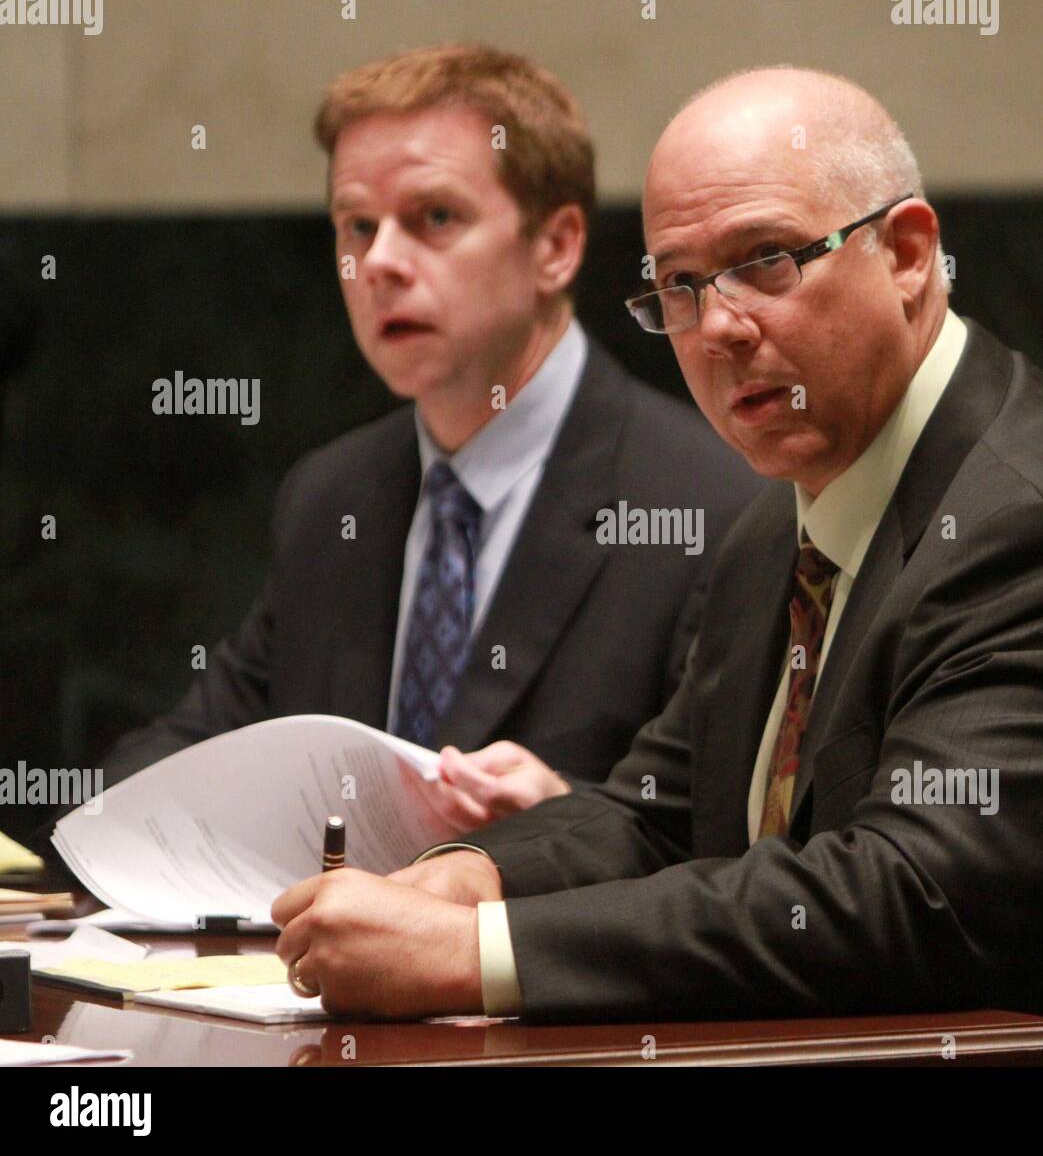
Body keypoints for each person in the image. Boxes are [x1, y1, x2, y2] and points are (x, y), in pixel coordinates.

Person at [271, 66, 1043, 1065]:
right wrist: (468, 878)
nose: (718, 327)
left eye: (766, 259)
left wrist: (472, 955)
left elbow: (908, 898)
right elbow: (659, 811)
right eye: (678, 286)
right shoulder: (790, 513)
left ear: (905, 255)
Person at [28, 45, 762, 854]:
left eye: (434, 218)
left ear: (556, 246)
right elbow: (183, 757)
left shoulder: (713, 504)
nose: (377, 263)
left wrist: (567, 818)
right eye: (357, 225)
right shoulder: (334, 496)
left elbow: (734, 850)